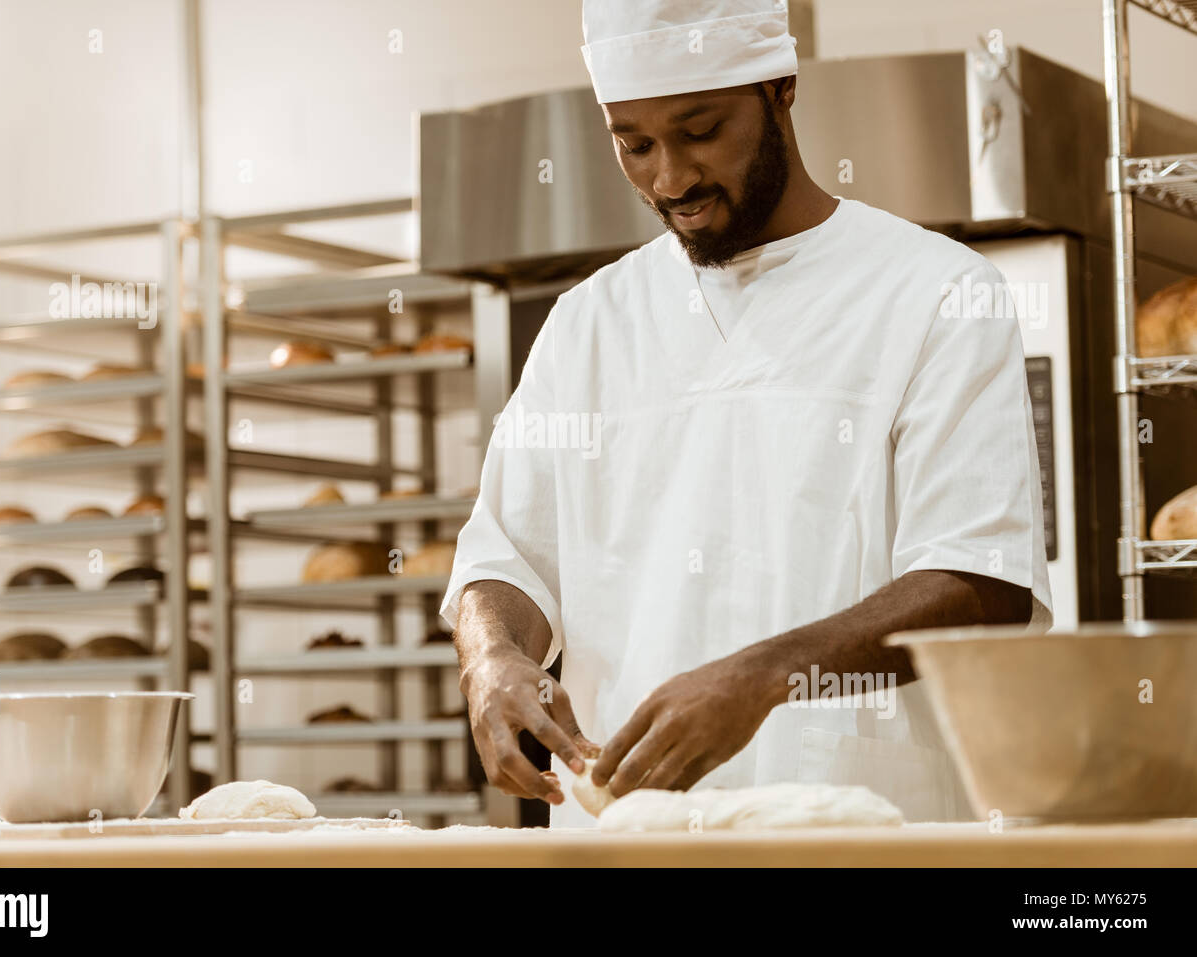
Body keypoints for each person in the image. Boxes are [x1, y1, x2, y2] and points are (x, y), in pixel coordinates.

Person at [440, 0, 1051, 827]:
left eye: (700, 130)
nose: (670, 179)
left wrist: (766, 675)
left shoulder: (937, 292)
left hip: (857, 831)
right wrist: (491, 657)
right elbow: (505, 556)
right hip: (626, 834)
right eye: (635, 143)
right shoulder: (589, 323)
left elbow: (980, 581)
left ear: (780, 88)